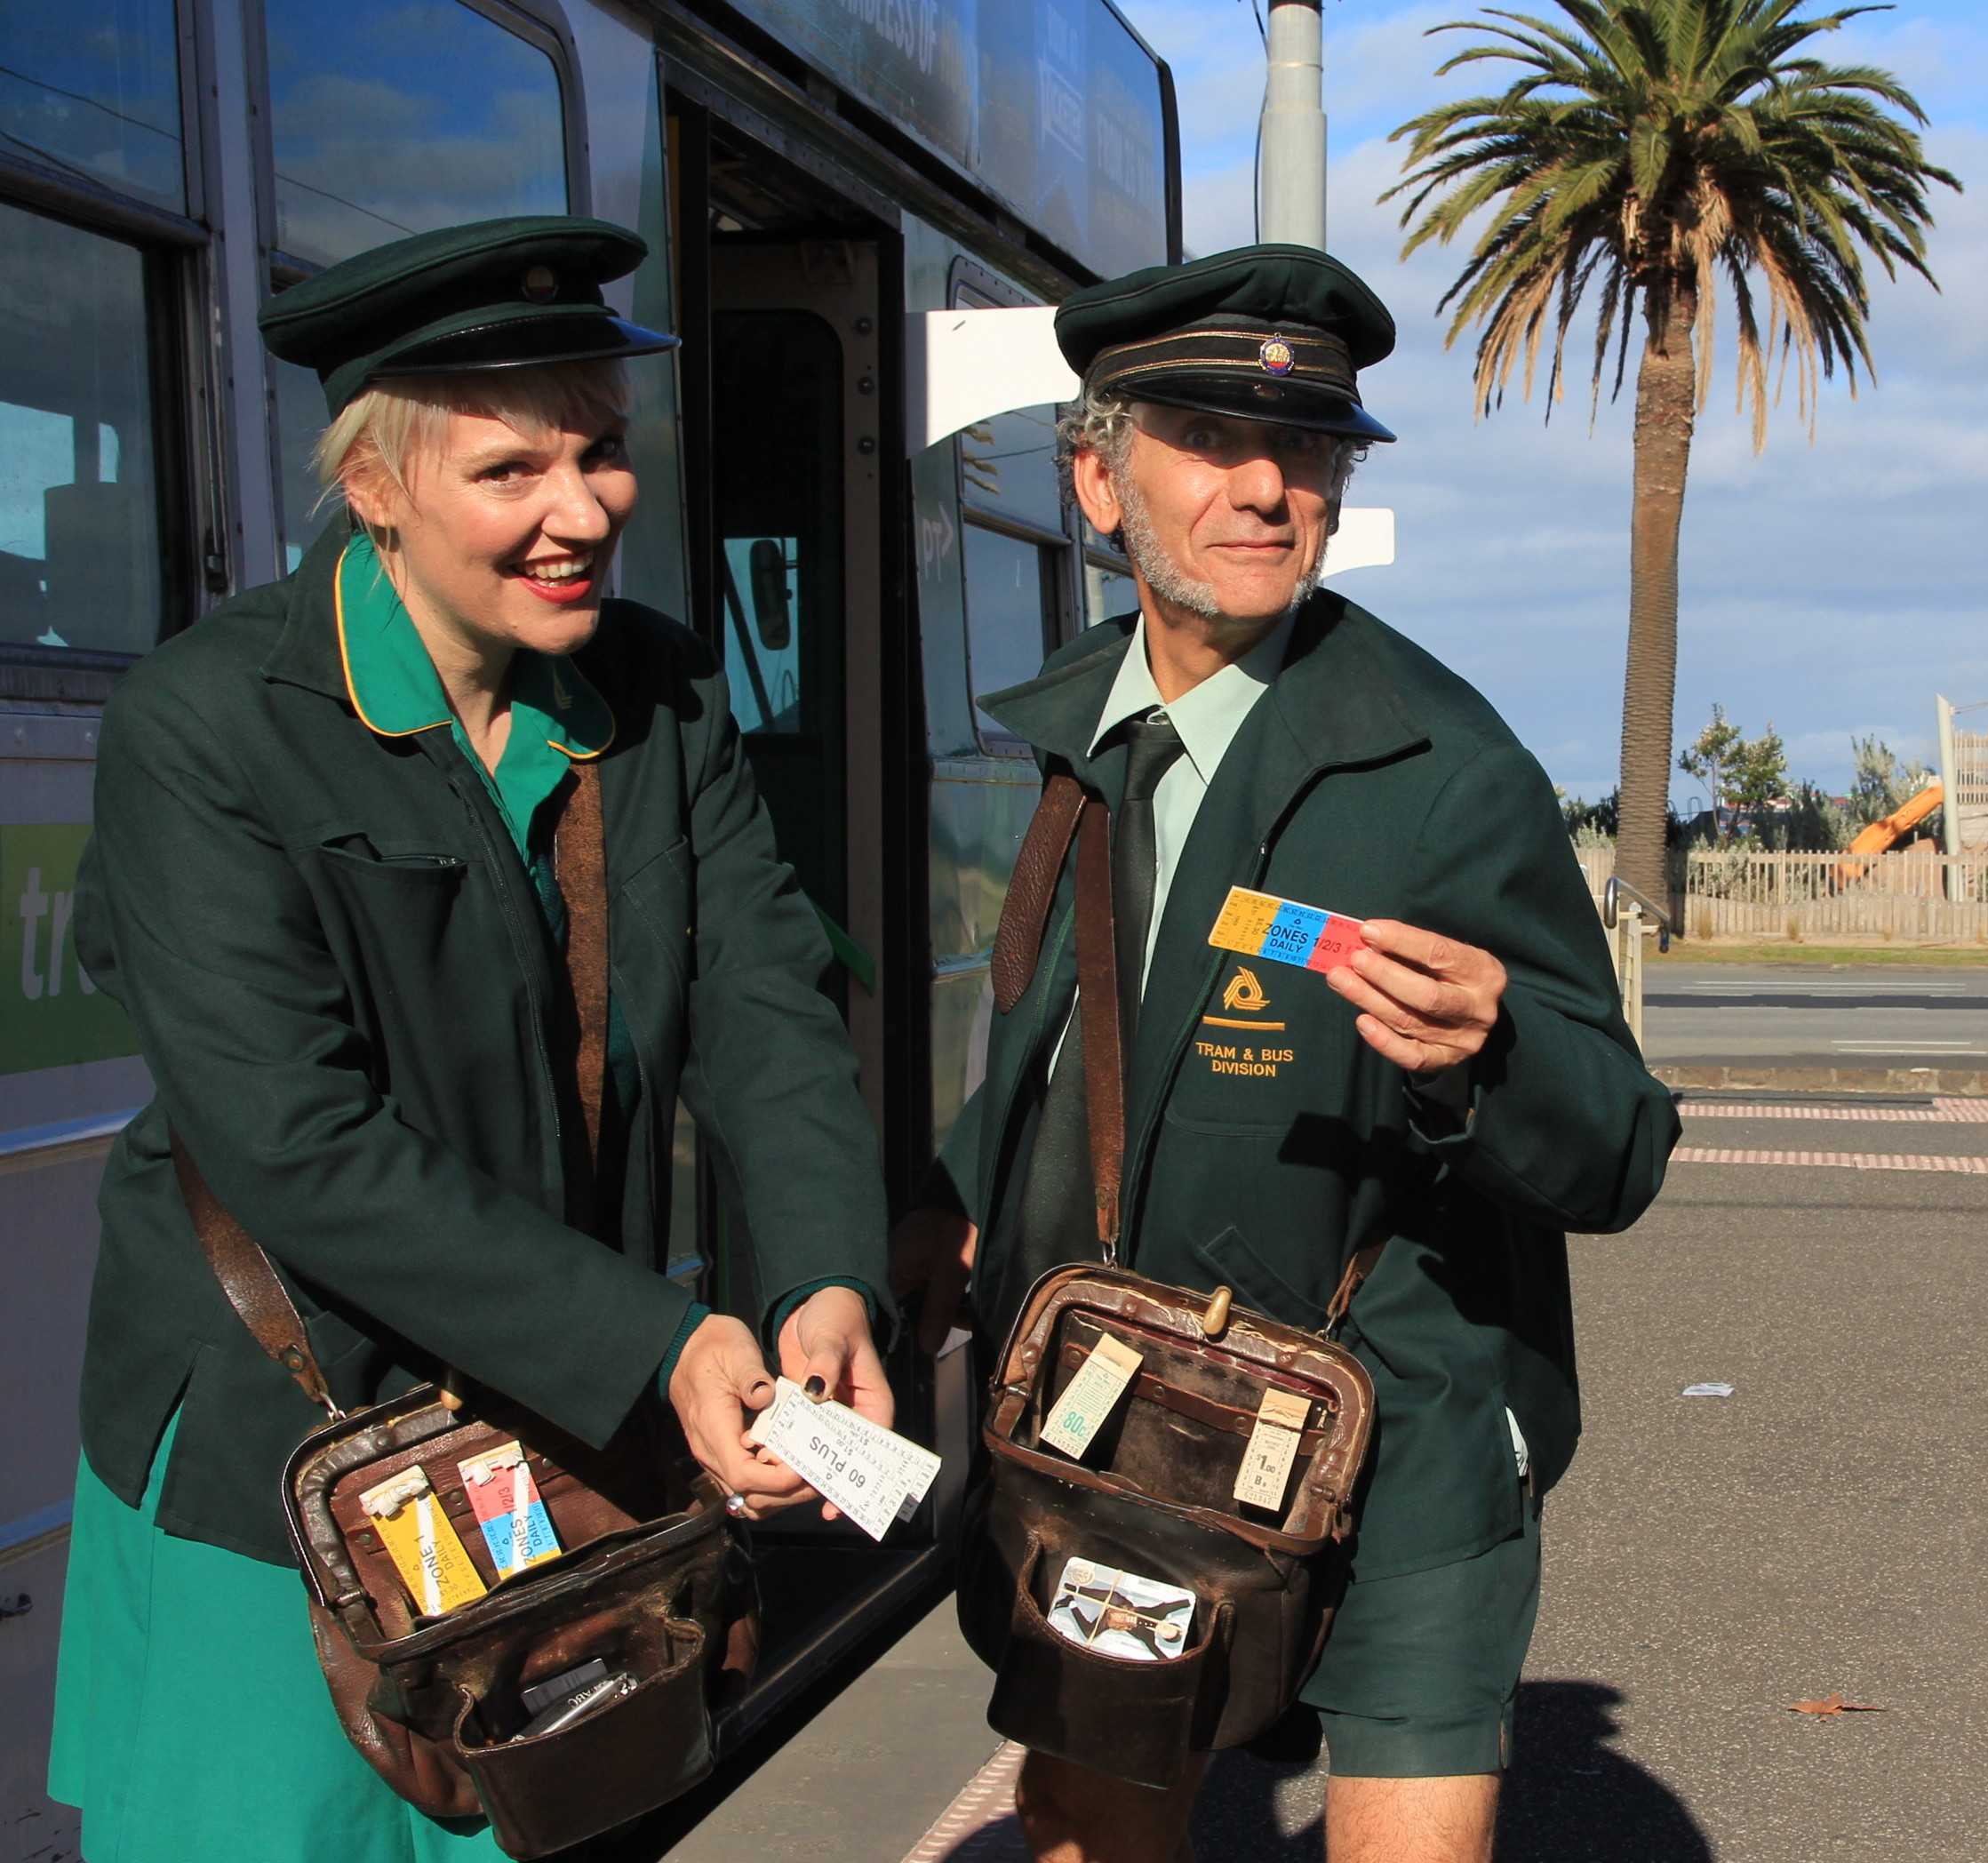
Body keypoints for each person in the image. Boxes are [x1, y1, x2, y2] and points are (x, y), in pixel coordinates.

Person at [47, 215, 893, 1863]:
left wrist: (820, 1280)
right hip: (280, 1463)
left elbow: (765, 1007)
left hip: (548, 1447)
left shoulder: (657, 694)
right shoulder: (206, 729)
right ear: (374, 489)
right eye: (513, 473)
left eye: (601, 455)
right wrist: (657, 1342)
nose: (582, 515)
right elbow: (294, 1140)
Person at [890, 244, 1679, 1863]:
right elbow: (1052, 1064)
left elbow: (1618, 1149)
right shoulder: (1073, 747)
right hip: (1122, 1443)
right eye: (1211, 441)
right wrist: (914, 1235)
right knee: (1096, 1833)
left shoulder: (1442, 769)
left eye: (1307, 450)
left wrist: (1490, 1054)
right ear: (1099, 482)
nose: (1267, 488)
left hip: (1402, 1436)